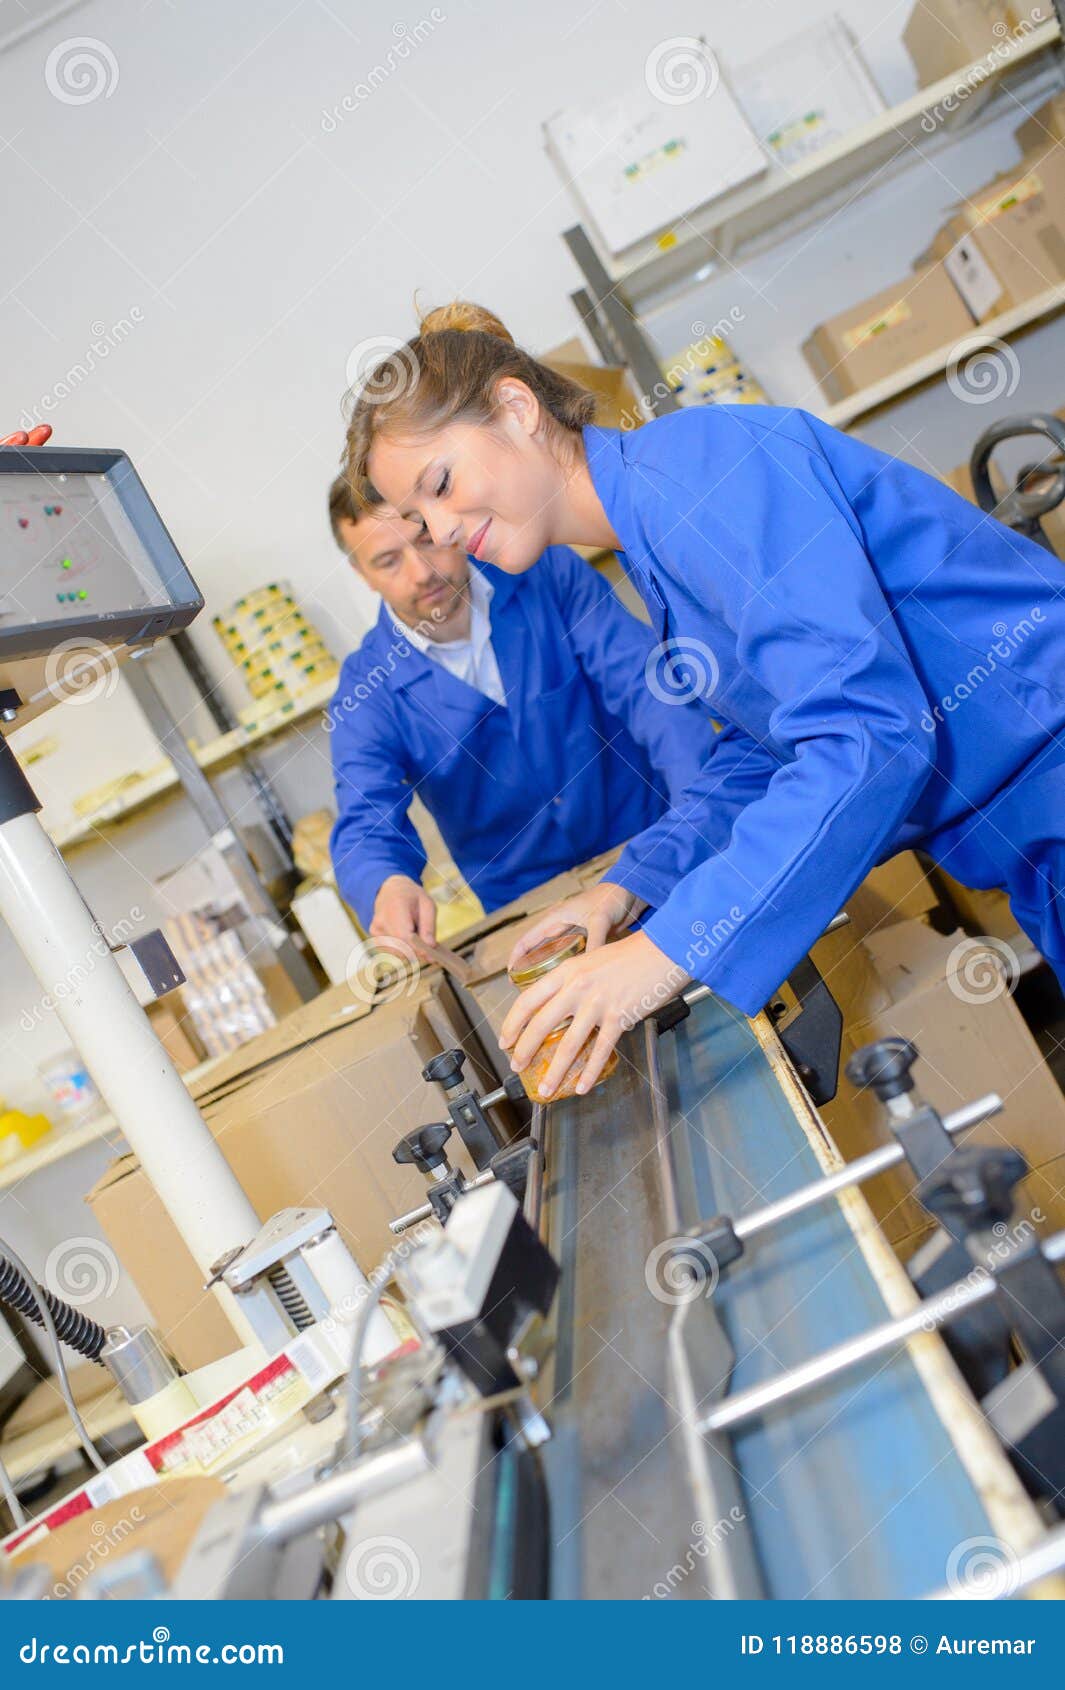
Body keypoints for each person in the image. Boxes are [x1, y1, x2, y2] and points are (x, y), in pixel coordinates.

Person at [344, 300, 1065, 1099]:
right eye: (415, 518)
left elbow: (866, 735)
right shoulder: (653, 527)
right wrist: (627, 885)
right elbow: (768, 747)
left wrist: (666, 953)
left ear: (517, 409)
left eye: (440, 486)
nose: (440, 533)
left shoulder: (706, 479)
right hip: (1030, 845)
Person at [327, 464, 713, 950]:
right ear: (362, 574)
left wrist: (700, 815)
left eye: (425, 538)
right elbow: (365, 817)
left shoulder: (543, 574)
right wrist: (387, 884)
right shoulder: (368, 692)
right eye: (388, 561)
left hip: (650, 846)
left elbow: (650, 693)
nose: (421, 572)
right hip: (531, 915)